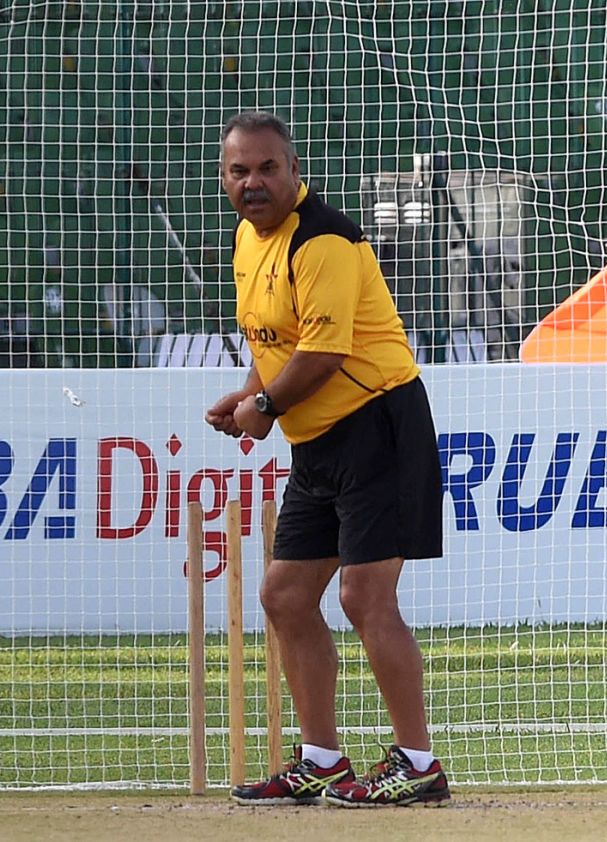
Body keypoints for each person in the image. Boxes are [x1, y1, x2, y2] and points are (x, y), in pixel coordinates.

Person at [206, 111, 450, 808]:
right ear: (224, 178)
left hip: (378, 423)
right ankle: (322, 761)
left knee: (364, 595)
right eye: (239, 171)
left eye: (266, 168)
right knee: (284, 596)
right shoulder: (249, 241)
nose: (253, 182)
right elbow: (273, 343)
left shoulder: (326, 238)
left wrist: (265, 409)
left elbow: (324, 352)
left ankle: (419, 763)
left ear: (292, 168)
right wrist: (252, 394)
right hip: (318, 439)